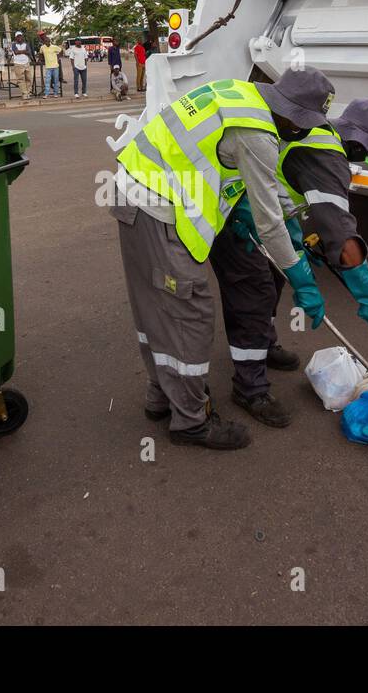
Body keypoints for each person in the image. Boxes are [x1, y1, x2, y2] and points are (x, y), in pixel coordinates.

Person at [111, 68, 334, 450]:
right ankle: (191, 422)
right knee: (189, 314)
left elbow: (259, 190)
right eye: (303, 123)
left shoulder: (239, 95)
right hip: (157, 208)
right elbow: (269, 222)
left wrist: (289, 220)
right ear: (292, 117)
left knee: (157, 310)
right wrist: (301, 279)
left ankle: (161, 399)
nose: (300, 131)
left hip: (135, 191)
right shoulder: (258, 134)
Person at [218, 98, 368, 427]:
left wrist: (299, 244)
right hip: (238, 216)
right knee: (253, 295)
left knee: (271, 284)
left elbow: (289, 198)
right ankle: (250, 387)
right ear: (357, 140)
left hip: (268, 215)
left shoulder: (321, 133)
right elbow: (342, 236)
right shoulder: (327, 157)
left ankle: (263, 344)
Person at [9, 31, 33, 98]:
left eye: (20, 36)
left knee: (29, 79)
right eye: (18, 36)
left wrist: (22, 52)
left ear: (22, 36)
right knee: (21, 80)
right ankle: (25, 94)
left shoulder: (26, 44)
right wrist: (24, 51)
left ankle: (28, 93)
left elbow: (29, 52)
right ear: (16, 37)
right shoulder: (13, 44)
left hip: (26, 63)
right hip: (18, 63)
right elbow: (16, 52)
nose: (19, 37)